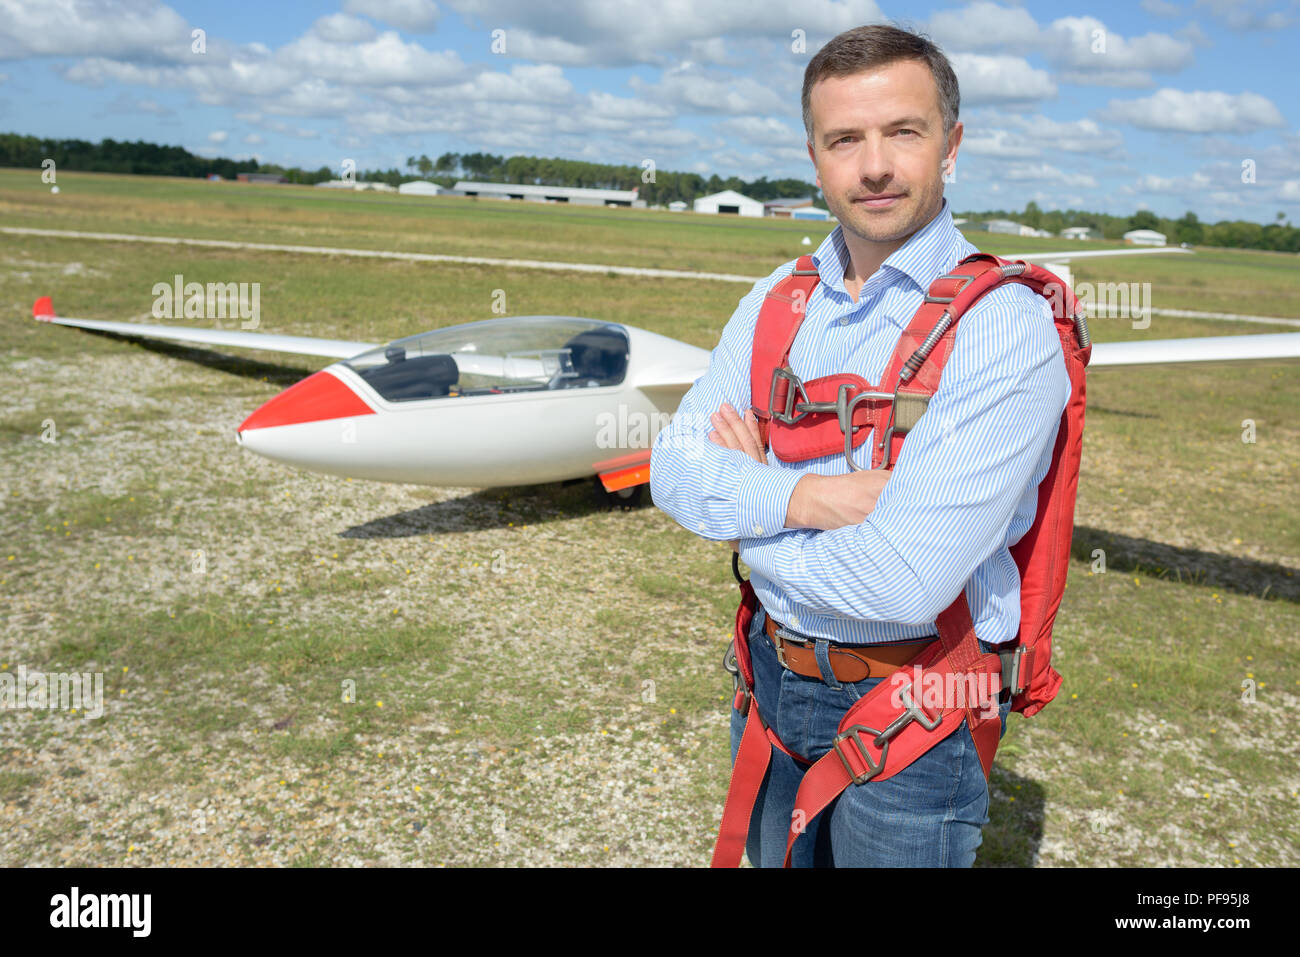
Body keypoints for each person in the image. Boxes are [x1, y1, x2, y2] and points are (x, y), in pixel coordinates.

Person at [648, 23, 1070, 867]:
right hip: (768, 683)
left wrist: (745, 516)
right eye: (846, 139)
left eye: (902, 132)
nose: (874, 165)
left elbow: (902, 580)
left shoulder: (1003, 328)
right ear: (815, 159)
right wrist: (806, 498)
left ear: (951, 145)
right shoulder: (778, 299)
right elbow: (671, 466)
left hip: (913, 708)